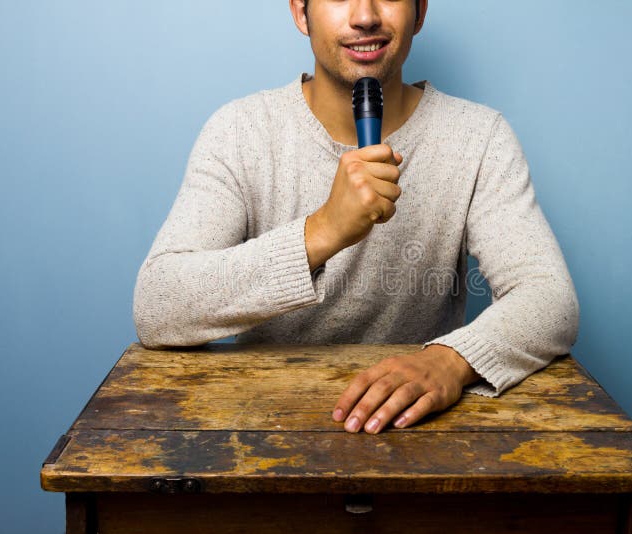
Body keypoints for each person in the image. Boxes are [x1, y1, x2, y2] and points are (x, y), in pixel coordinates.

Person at [133, 0, 580, 435]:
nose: (365, 16)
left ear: (420, 11)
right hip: (265, 427)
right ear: (299, 12)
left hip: (415, 434)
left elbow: (549, 298)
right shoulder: (239, 131)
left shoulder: (479, 137)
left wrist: (450, 361)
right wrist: (324, 230)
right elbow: (158, 304)